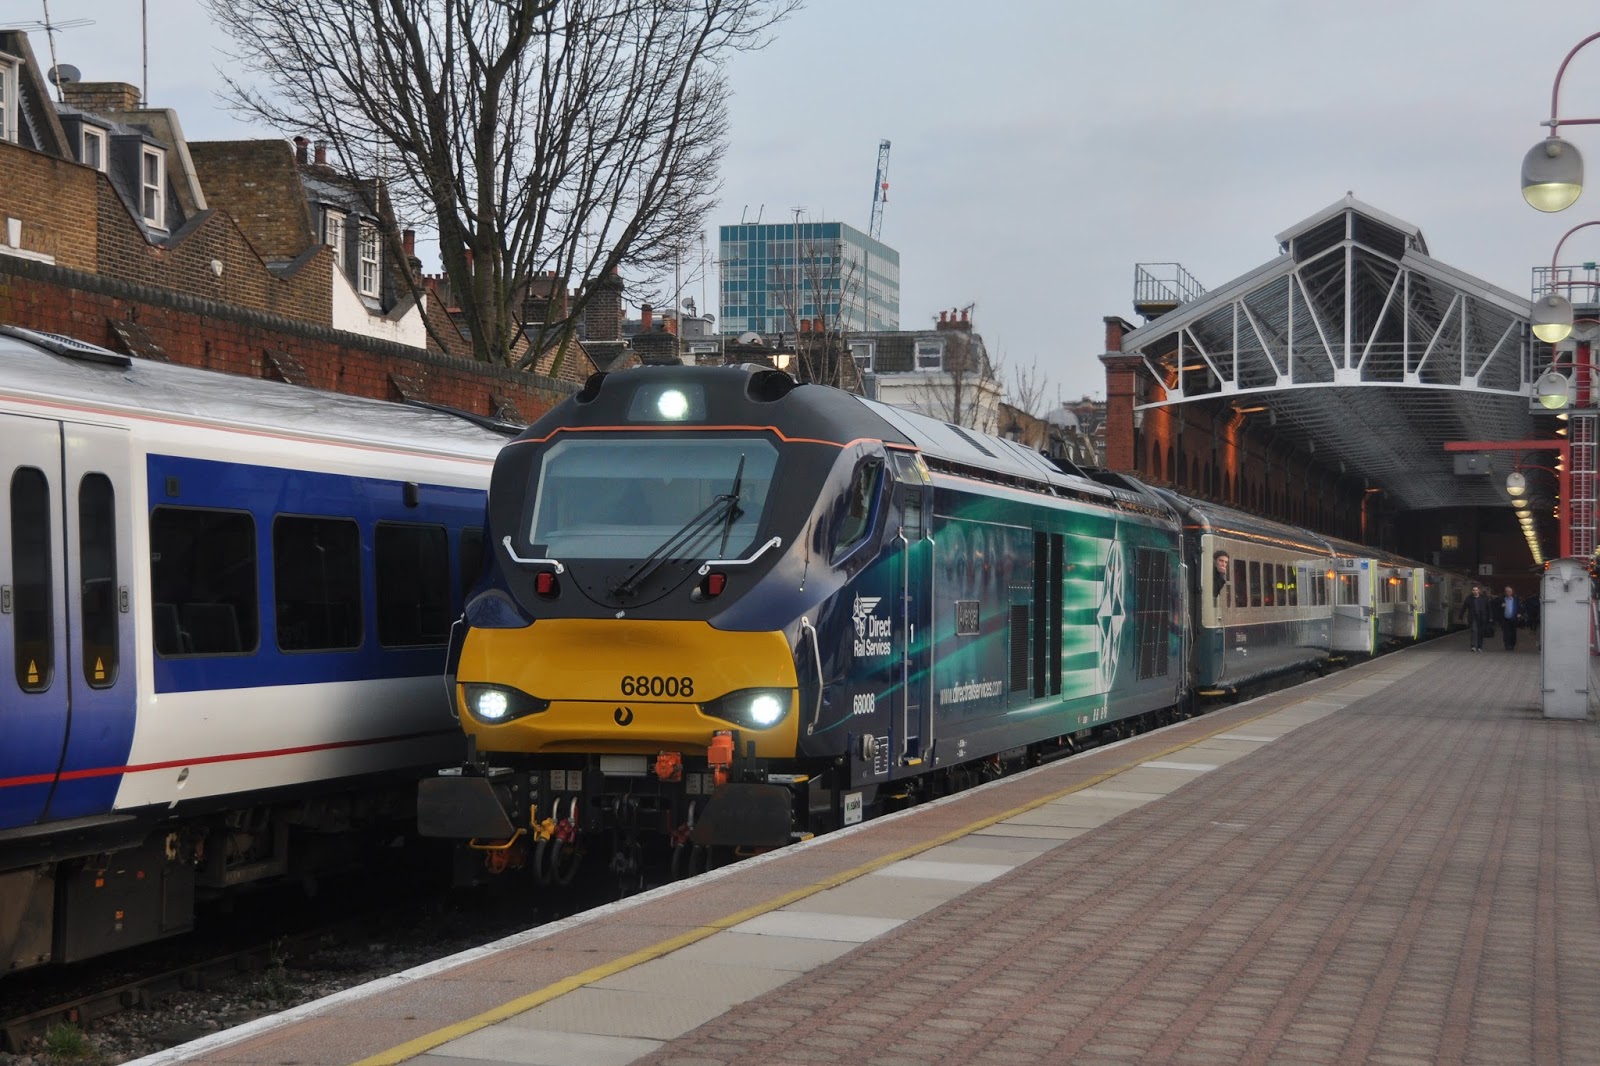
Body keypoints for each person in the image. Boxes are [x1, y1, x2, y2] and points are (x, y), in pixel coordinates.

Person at [1461, 584, 1493, 652]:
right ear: (1472, 591)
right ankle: (1473, 646)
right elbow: (1464, 607)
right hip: (1473, 618)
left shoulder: (1484, 598)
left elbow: (1489, 608)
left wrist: (1490, 617)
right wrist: (1460, 616)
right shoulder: (1469, 598)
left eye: (1476, 590)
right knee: (1474, 631)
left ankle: (1479, 646)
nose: (1475, 591)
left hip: (1482, 618)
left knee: (1480, 632)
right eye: (1473, 590)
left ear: (1479, 591)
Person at [1497, 585, 1522, 651]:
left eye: (1509, 591)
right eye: (1507, 591)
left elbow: (1519, 607)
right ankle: (1507, 645)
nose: (1508, 593)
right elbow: (1495, 608)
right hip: (1505, 619)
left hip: (1513, 618)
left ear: (1512, 592)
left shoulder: (1515, 599)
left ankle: (1512, 644)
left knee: (1513, 632)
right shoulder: (1502, 599)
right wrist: (1500, 606)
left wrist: (1519, 613)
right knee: (1506, 633)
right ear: (1505, 592)